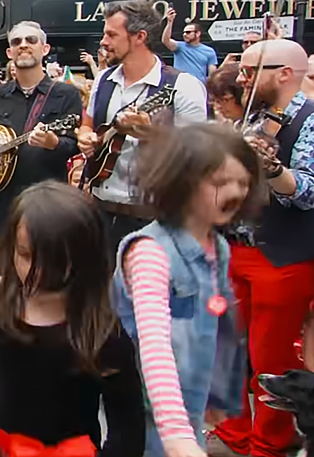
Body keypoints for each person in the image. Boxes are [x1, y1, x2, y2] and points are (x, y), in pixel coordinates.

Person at [0, 182, 145, 457]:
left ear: (84, 257)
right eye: (25, 255)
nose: (37, 272)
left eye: (54, 261)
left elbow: (128, 430)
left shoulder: (101, 332)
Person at [114, 124, 266, 456]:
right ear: (181, 182)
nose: (236, 193)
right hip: (149, 417)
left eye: (243, 183)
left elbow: (218, 320)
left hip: (188, 412)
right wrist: (175, 431)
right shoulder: (150, 252)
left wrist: (216, 391)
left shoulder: (218, 248)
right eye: (221, 182)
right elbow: (154, 344)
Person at [211, 39, 314, 457]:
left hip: (280, 256)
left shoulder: (309, 118)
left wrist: (273, 170)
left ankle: (268, 443)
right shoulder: (252, 119)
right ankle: (233, 431)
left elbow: (307, 191)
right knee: (225, 347)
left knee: (270, 357)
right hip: (233, 247)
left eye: (251, 71)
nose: (242, 79)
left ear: (285, 74)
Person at [77, 0, 208, 245]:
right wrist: (85, 137)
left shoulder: (183, 86)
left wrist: (152, 134)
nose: (103, 42)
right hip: (100, 210)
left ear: (140, 37)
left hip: (155, 218)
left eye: (112, 35)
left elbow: (198, 155)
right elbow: (88, 124)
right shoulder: (103, 79)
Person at [0, 21, 83, 240]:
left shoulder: (66, 94)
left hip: (47, 201)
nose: (23, 45)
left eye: (31, 40)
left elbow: (74, 144)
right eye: (17, 42)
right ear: (10, 53)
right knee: (4, 260)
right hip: (4, 202)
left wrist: (54, 143)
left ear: (45, 49)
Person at [161, 9, 218, 84]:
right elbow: (165, 40)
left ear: (198, 34)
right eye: (184, 32)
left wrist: (208, 86)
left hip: (198, 86)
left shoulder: (209, 51)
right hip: (180, 85)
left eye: (188, 32)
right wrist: (170, 22)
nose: (185, 35)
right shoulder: (179, 47)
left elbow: (212, 74)